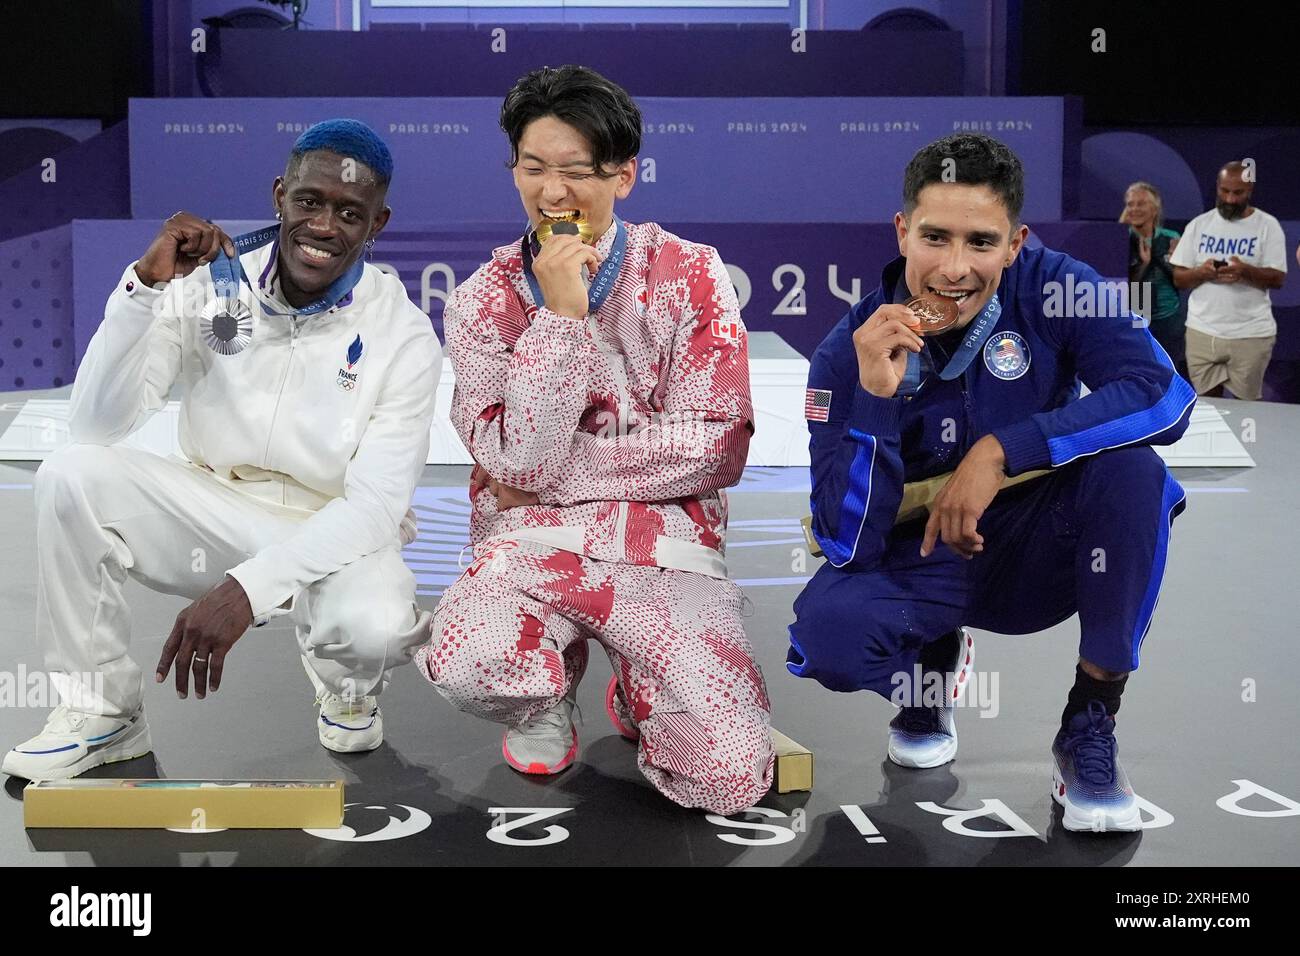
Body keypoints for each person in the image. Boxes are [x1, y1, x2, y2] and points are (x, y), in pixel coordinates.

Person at [3, 119, 442, 781]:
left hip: (333, 530)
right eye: (310, 202)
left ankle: (346, 684)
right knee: (69, 475)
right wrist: (145, 289)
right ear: (279, 196)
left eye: (350, 213)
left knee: (374, 621)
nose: (324, 226)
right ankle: (102, 712)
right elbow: (95, 425)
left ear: (377, 225)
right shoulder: (210, 287)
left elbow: (375, 511)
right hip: (213, 508)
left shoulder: (404, 337)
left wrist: (247, 590)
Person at [786, 133, 1195, 833]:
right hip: (923, 559)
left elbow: (1164, 397)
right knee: (826, 635)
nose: (954, 268)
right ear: (901, 232)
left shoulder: (1054, 285)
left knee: (1136, 474)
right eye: (934, 237)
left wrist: (1003, 449)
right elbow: (842, 540)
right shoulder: (845, 350)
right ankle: (929, 665)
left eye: (981, 242)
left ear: (1015, 243)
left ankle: (1089, 722)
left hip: (1041, 547)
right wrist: (876, 402)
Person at [417, 66, 773, 815]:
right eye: (534, 167)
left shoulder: (691, 273)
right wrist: (562, 314)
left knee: (732, 779)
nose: (554, 193)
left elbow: (717, 444)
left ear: (625, 175)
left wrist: (556, 475)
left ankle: (644, 685)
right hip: (529, 551)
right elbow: (511, 460)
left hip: (660, 552)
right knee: (469, 659)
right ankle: (544, 691)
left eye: (578, 171)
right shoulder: (483, 300)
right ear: (512, 167)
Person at [1170, 161, 1287, 399]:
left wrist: (1245, 271)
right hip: (1202, 331)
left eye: (1238, 192)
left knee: (1247, 411)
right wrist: (1201, 273)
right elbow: (1179, 279)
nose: (1230, 199)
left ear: (1250, 191)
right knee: (1207, 408)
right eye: (1225, 191)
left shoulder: (1268, 226)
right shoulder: (1199, 225)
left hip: (1251, 333)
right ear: (1217, 187)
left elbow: (1277, 279)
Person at [1120, 181, 1185, 373]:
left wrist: (1167, 261)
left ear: (1155, 208)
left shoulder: (1171, 237)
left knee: (1168, 372)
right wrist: (1144, 264)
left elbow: (1181, 279)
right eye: (1130, 204)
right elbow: (1116, 281)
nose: (1135, 209)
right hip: (1135, 315)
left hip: (1167, 317)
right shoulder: (1120, 238)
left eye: (1141, 204)